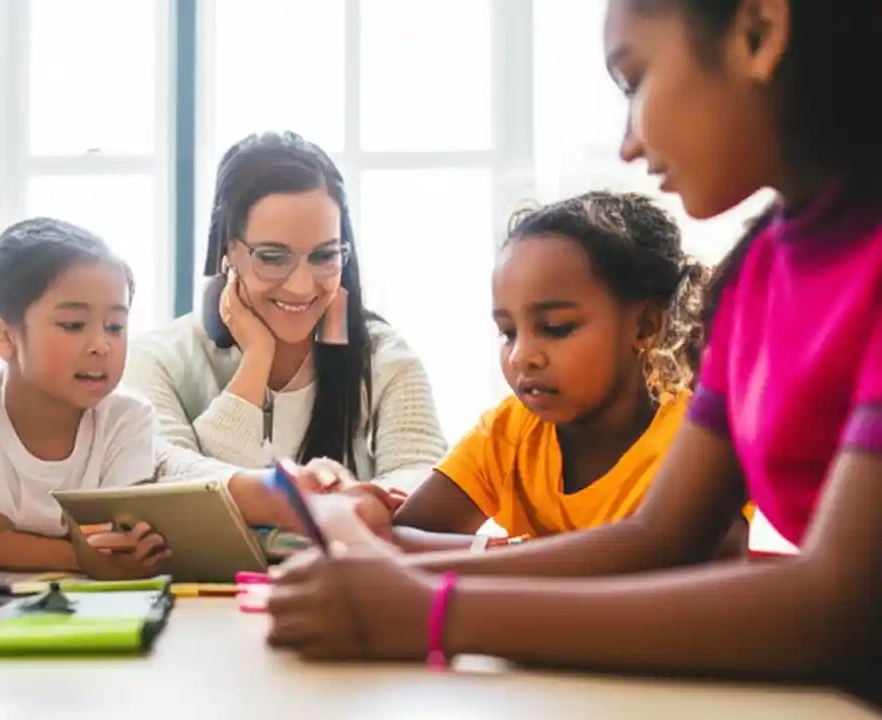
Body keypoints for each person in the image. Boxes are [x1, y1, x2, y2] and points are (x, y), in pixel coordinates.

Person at [266, 0, 880, 687]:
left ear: (759, 33)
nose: (629, 144)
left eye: (635, 80)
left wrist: (435, 611)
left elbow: (842, 606)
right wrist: (389, 575)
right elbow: (657, 537)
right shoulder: (756, 277)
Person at [391, 191, 748, 555]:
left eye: (556, 327)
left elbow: (708, 564)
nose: (521, 356)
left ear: (643, 325)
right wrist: (506, 551)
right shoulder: (509, 432)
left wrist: (509, 559)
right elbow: (399, 537)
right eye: (508, 332)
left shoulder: (697, 438)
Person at [125, 131, 444, 526]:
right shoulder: (157, 359)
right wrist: (256, 360)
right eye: (273, 257)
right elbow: (174, 483)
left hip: (348, 583)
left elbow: (425, 481)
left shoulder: (384, 357)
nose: (301, 285)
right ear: (228, 250)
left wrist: (342, 500)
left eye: (324, 256)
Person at [0, 218, 170, 578]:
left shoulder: (127, 419)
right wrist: (82, 556)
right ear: (3, 337)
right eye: (73, 325)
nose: (102, 345)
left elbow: (118, 544)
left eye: (115, 326)